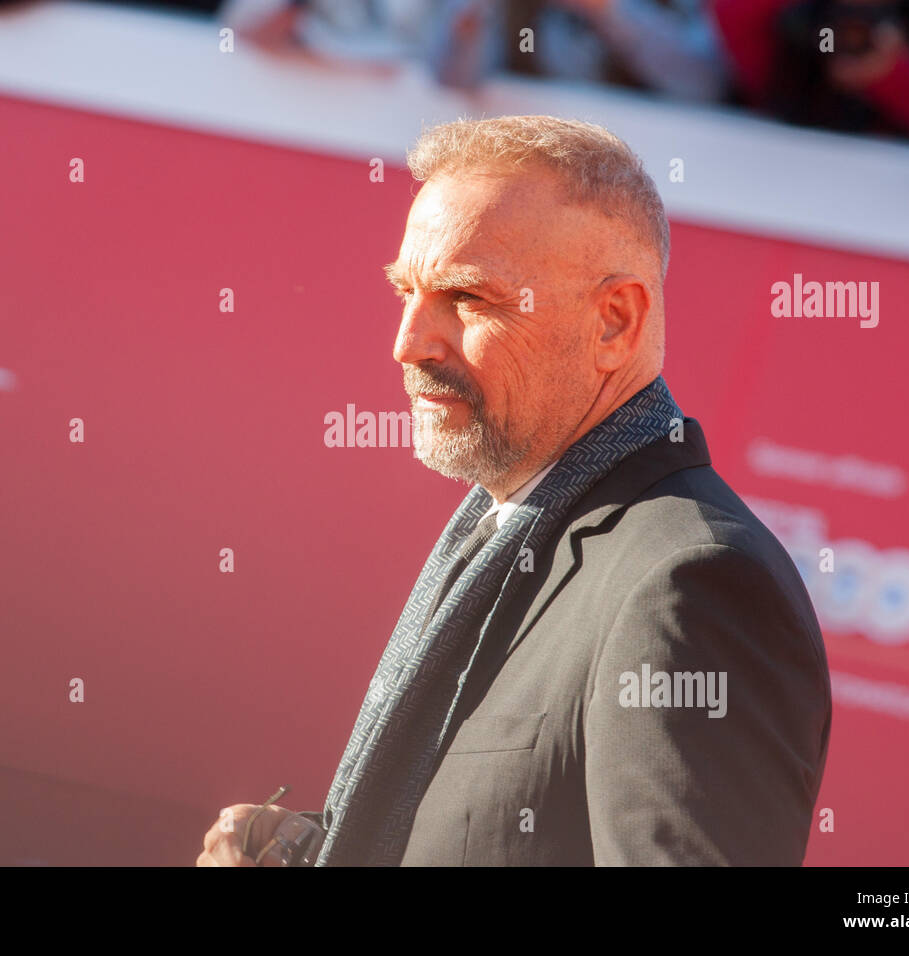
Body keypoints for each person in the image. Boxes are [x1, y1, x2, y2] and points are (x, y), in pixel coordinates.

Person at [197, 115, 831, 867]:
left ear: (614, 322)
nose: (409, 342)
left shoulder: (689, 583)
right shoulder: (507, 526)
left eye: (468, 298)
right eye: (407, 289)